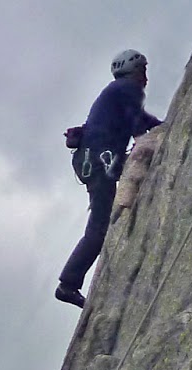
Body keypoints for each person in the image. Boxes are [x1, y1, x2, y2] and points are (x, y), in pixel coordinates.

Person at [56, 49, 162, 307]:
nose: (145, 78)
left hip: (94, 162)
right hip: (100, 163)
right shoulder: (128, 89)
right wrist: (150, 140)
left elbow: (141, 118)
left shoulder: (117, 91)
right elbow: (137, 122)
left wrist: (161, 125)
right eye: (143, 71)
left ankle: (69, 282)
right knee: (99, 228)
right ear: (133, 72)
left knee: (102, 223)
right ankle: (68, 285)